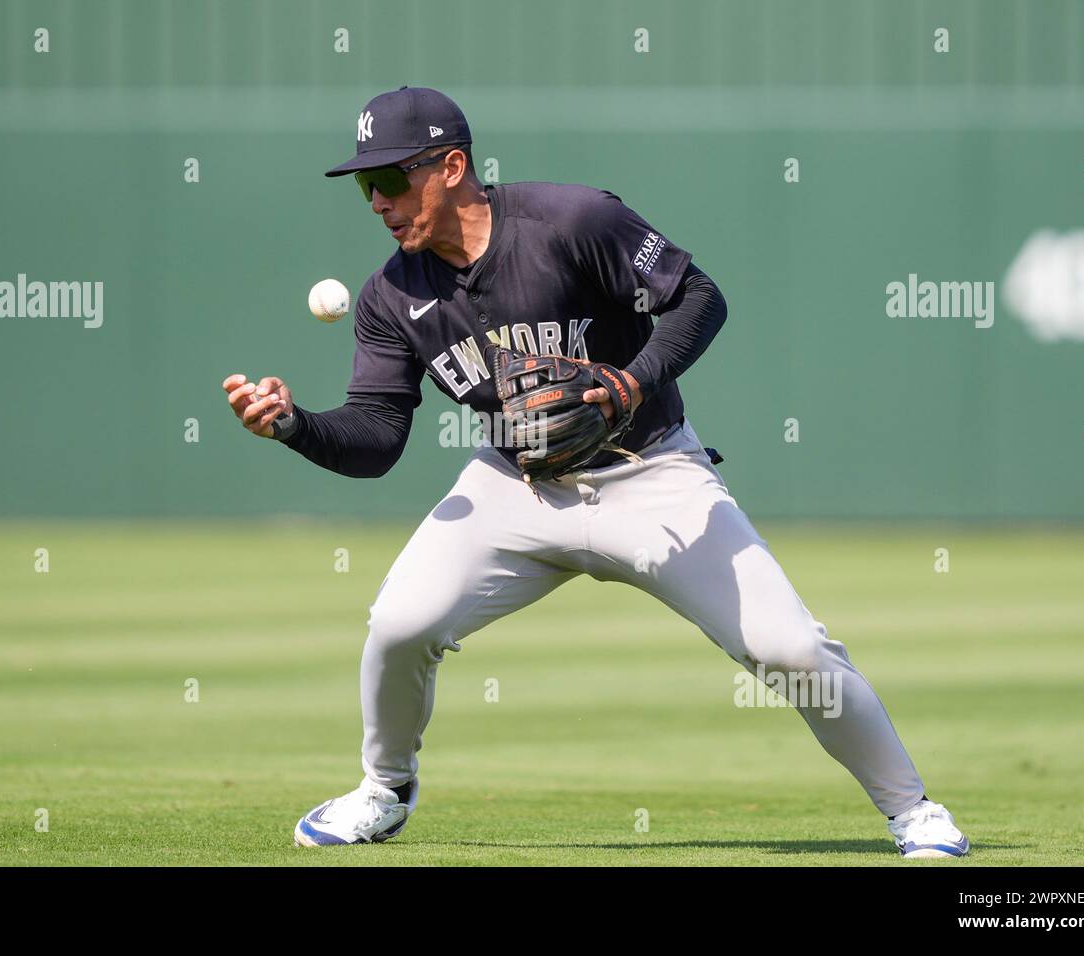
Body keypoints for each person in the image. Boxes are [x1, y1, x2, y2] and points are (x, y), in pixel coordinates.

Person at [223, 86, 968, 859]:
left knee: (791, 652)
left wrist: (633, 380)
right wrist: (293, 424)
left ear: (451, 167)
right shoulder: (391, 295)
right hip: (514, 484)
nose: (376, 201)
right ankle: (385, 788)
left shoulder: (572, 221)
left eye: (389, 180)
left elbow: (698, 298)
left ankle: (912, 811)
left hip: (649, 471)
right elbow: (376, 436)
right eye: (363, 185)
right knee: (398, 625)